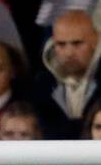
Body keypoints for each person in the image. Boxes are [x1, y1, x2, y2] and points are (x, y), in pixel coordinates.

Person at [31, 8, 101, 139]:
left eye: (77, 43)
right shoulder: (41, 85)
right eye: (61, 44)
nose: (69, 53)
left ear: (95, 40)